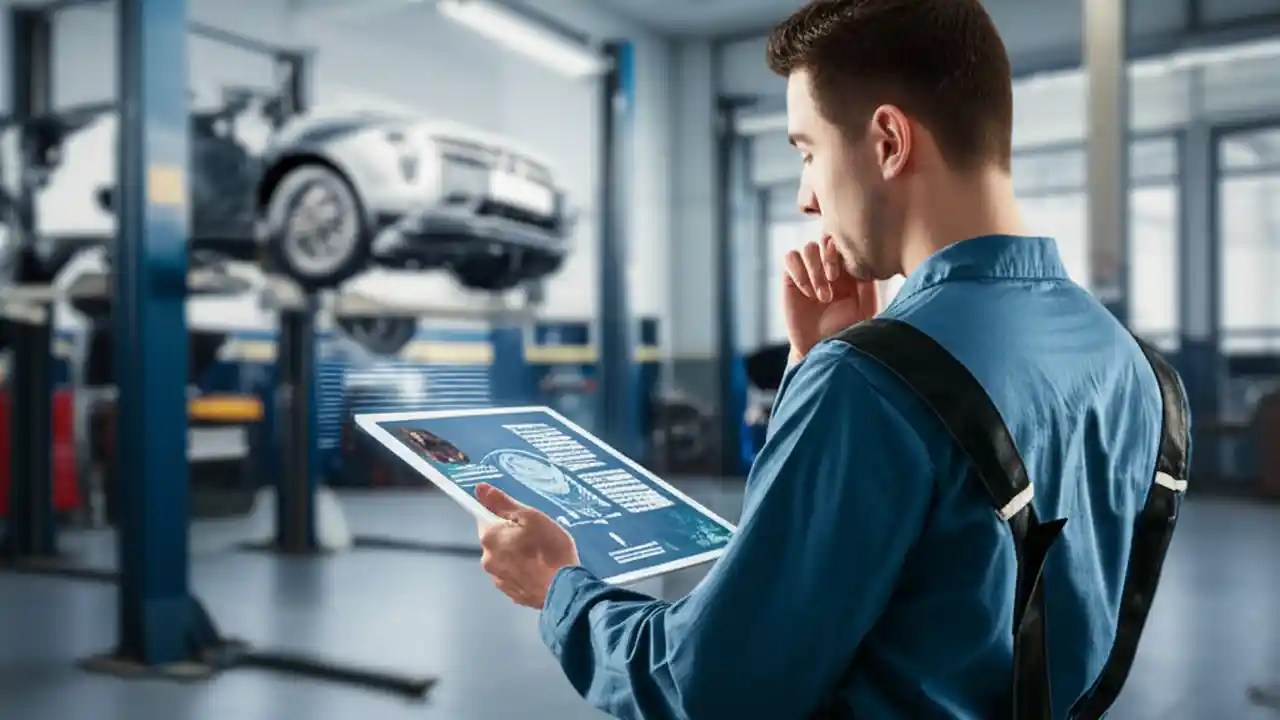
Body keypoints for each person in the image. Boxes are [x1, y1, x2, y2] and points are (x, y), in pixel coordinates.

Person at [472, 0, 1185, 717]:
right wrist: (818, 361)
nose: (808, 196)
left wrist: (560, 586)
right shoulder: (1141, 373)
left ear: (887, 141)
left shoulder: (873, 385)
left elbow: (711, 688)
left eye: (807, 151)